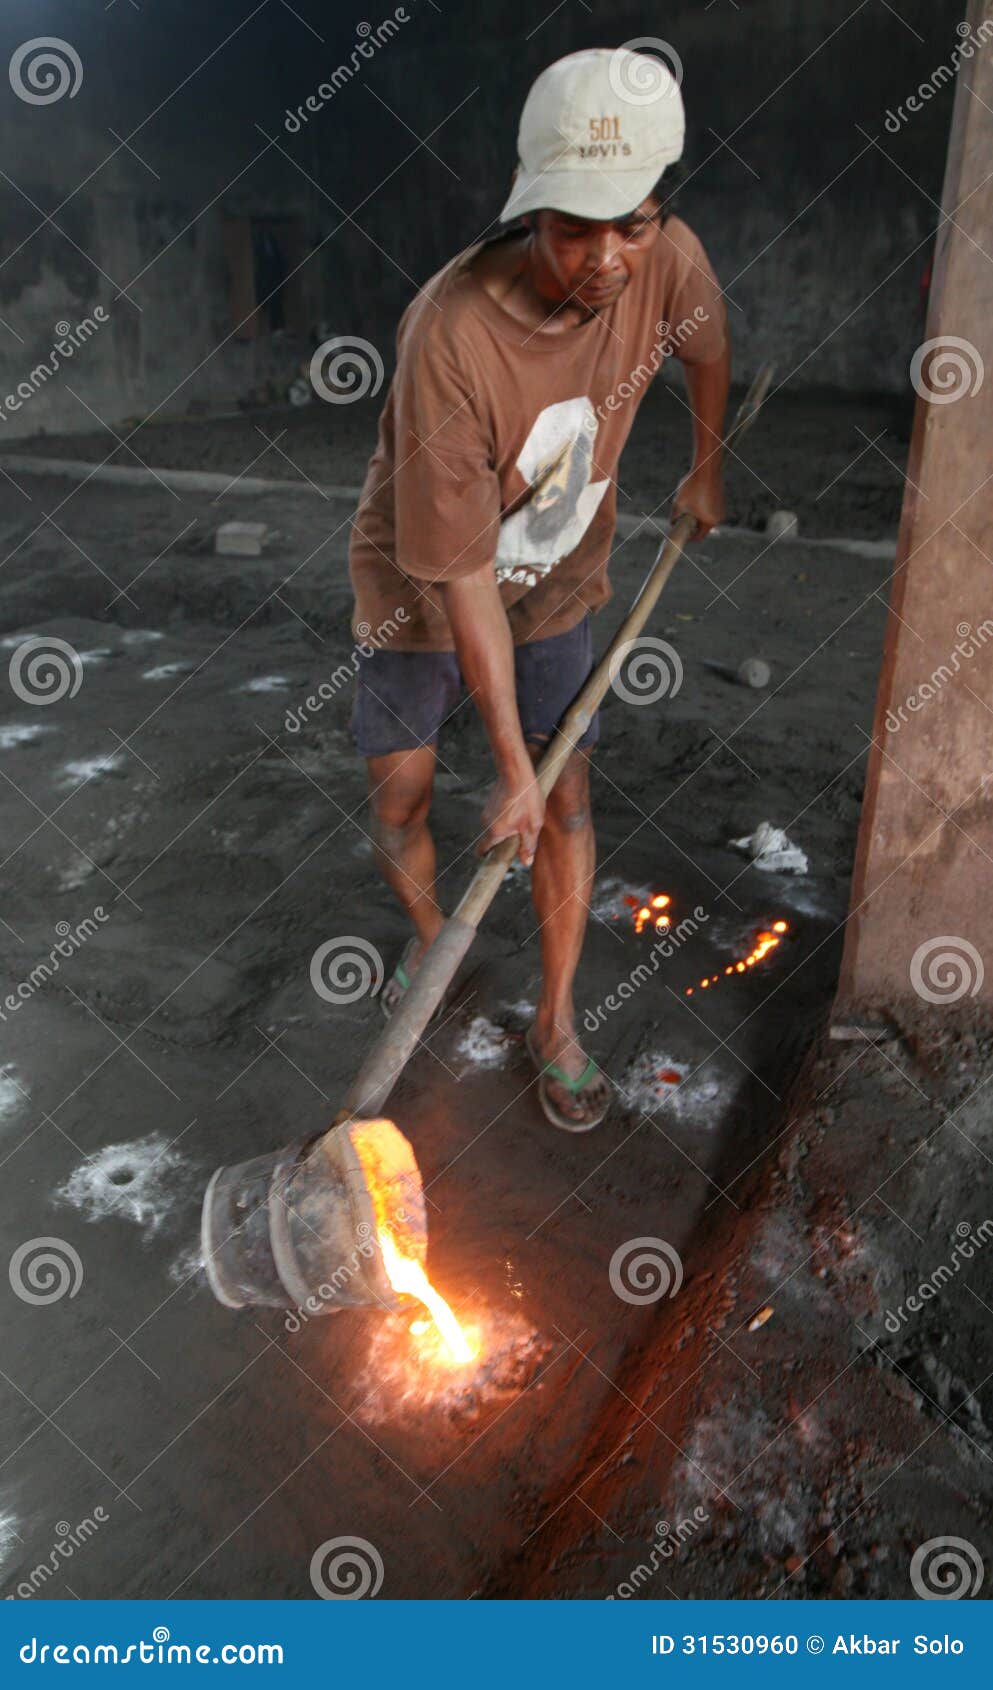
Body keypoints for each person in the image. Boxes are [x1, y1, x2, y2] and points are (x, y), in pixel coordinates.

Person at [348, 45, 730, 1131]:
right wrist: (503, 760)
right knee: (404, 794)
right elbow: (464, 573)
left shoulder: (666, 256)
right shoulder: (452, 337)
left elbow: (706, 342)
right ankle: (434, 946)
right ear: (529, 211)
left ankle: (556, 1022)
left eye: (634, 223)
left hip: (560, 580)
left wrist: (706, 464)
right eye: (574, 228)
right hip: (421, 582)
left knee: (565, 797)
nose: (607, 258)